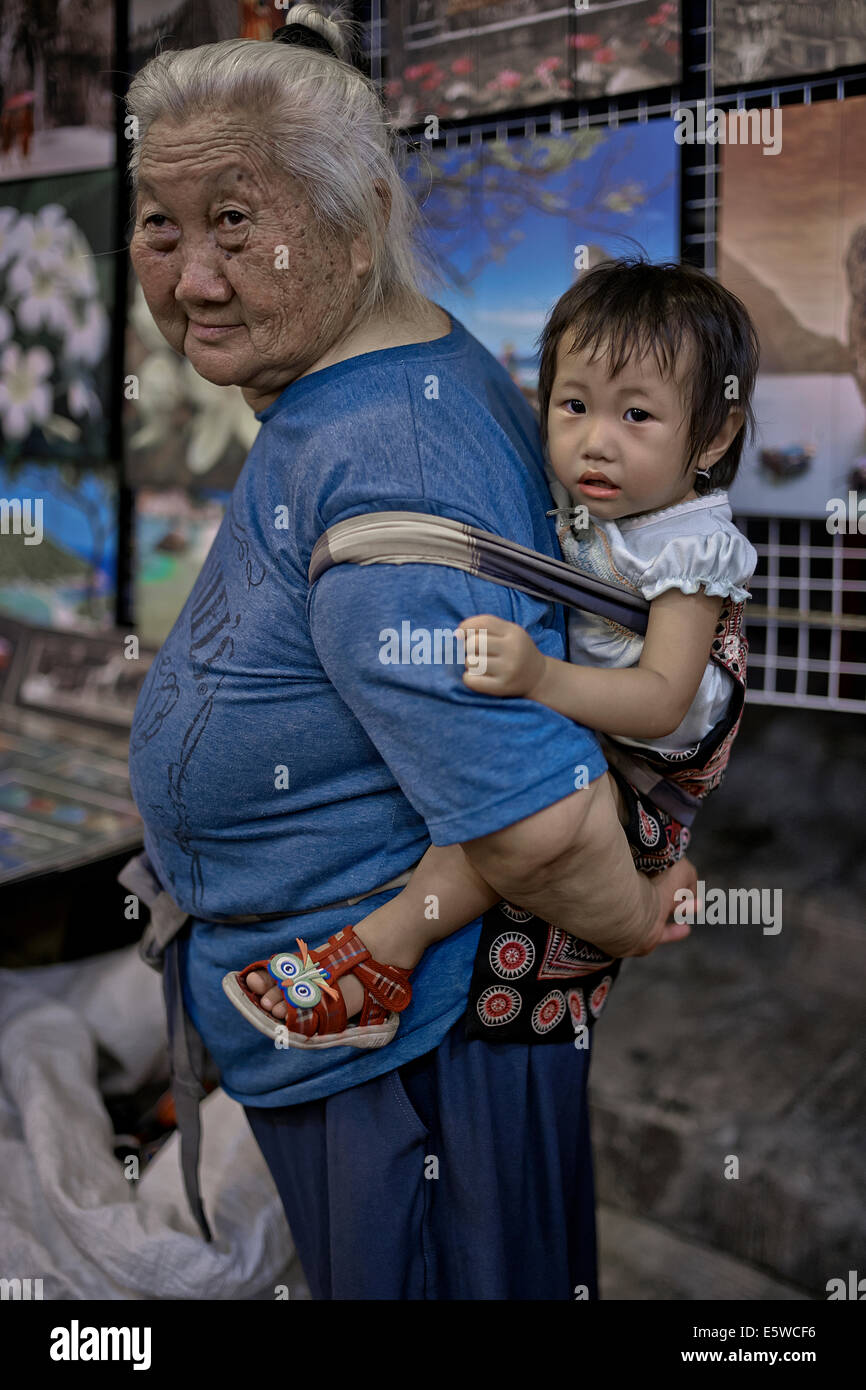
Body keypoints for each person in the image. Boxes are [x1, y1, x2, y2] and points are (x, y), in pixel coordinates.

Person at [125, 6, 695, 1300]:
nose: (190, 277)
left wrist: (631, 916)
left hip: (413, 1064)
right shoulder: (374, 369)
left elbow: (542, 826)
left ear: (364, 215)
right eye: (161, 223)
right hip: (360, 1026)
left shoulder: (390, 456)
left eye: (234, 219)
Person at [232, 259, 759, 1046]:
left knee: (498, 826)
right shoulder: (592, 505)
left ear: (714, 432)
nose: (595, 443)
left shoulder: (692, 547)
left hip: (648, 770)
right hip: (603, 736)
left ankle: (380, 959)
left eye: (637, 416)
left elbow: (661, 700)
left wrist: (540, 677)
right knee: (493, 800)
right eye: (574, 405)